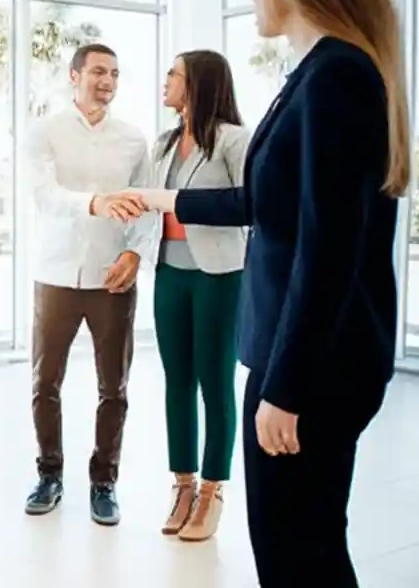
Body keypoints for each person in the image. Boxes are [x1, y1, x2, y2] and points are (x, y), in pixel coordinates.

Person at [113, 0, 408, 586]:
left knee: (296, 549)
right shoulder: (319, 74)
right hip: (305, 357)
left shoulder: (336, 78)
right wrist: (166, 199)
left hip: (312, 367)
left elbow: (326, 250)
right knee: (301, 540)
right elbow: (262, 203)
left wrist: (288, 387)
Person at [24, 43, 157, 526]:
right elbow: (44, 195)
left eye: (115, 74)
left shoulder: (133, 140)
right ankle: (49, 475)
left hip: (112, 279)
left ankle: (105, 482)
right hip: (56, 275)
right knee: (45, 383)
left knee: (114, 388)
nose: (108, 81)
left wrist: (134, 253)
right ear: (75, 75)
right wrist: (94, 203)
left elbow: (146, 208)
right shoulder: (45, 132)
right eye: (99, 71)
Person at [151, 50, 248, 542]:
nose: (165, 81)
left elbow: (249, 206)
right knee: (177, 382)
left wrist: (180, 203)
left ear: (199, 84)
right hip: (169, 272)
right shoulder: (165, 143)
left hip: (217, 277)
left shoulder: (233, 139)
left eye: (174, 74)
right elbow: (149, 202)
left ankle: (212, 491)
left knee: (215, 383)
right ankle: (183, 486)